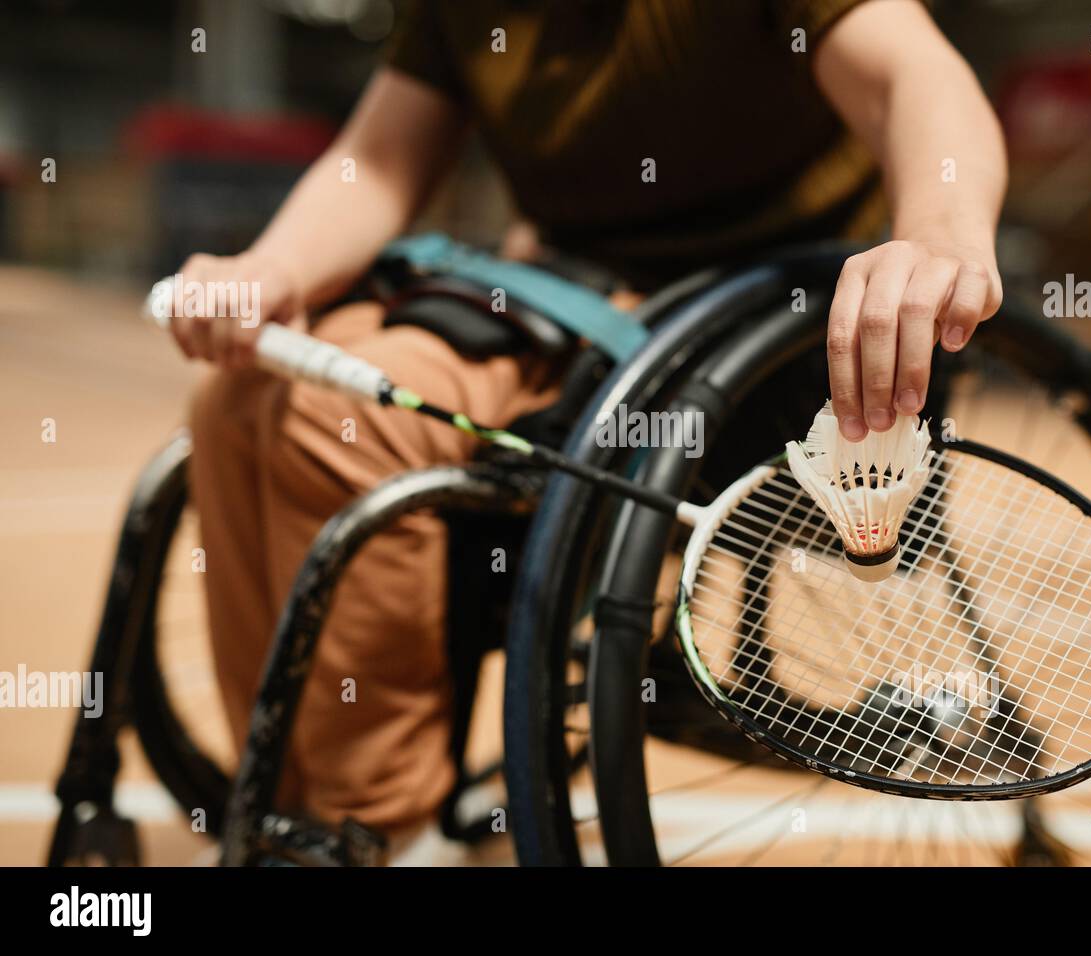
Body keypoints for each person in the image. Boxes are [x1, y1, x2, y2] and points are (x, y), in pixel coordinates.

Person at [167, 0, 1005, 861]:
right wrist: (271, 268)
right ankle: (284, 813)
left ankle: (380, 828)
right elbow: (376, 162)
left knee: (338, 421)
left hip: (757, 325)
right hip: (563, 295)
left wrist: (938, 238)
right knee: (241, 395)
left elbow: (914, 77)